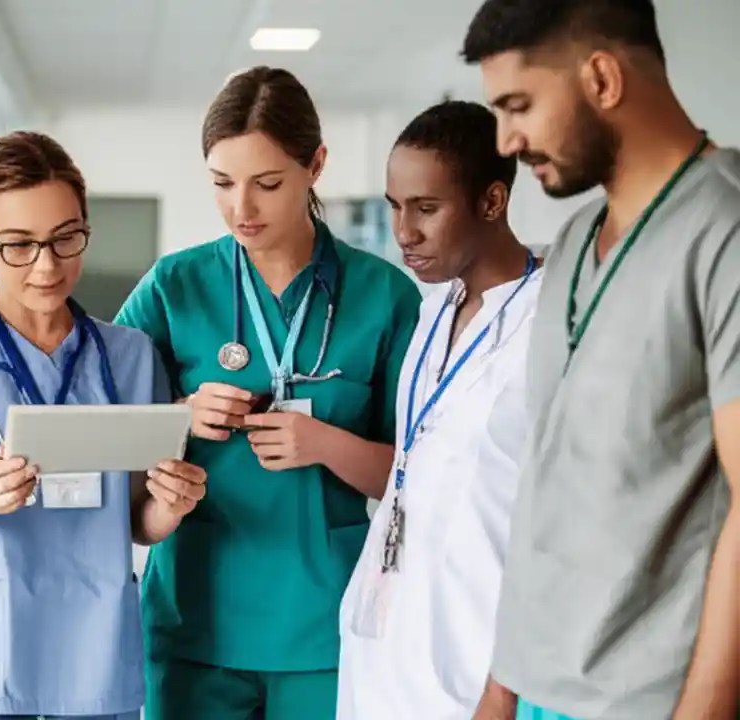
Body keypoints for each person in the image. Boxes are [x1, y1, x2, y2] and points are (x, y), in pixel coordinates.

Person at [0, 130, 209, 720]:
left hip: (92, 662)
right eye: (19, 245)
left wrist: (172, 506)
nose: (48, 266)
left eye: (66, 239)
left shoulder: (129, 356)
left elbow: (133, 520)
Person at [113, 66, 422, 719]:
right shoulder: (175, 286)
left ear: (316, 166)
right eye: (222, 184)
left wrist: (327, 444)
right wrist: (179, 413)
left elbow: (413, 477)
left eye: (267, 183)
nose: (241, 209)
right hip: (196, 617)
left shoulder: (384, 296)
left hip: (324, 624)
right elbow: (100, 424)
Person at [461, 2, 740, 719]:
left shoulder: (724, 229)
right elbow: (547, 479)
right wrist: (502, 688)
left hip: (654, 698)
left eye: (518, 105)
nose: (505, 138)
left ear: (602, 78)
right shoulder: (575, 242)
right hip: (539, 689)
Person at [336, 100, 543, 719]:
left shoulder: (547, 323)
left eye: (427, 208)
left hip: (477, 662)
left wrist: (502, 688)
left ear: (492, 201)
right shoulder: (430, 312)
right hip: (386, 646)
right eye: (396, 207)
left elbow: (548, 519)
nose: (405, 232)